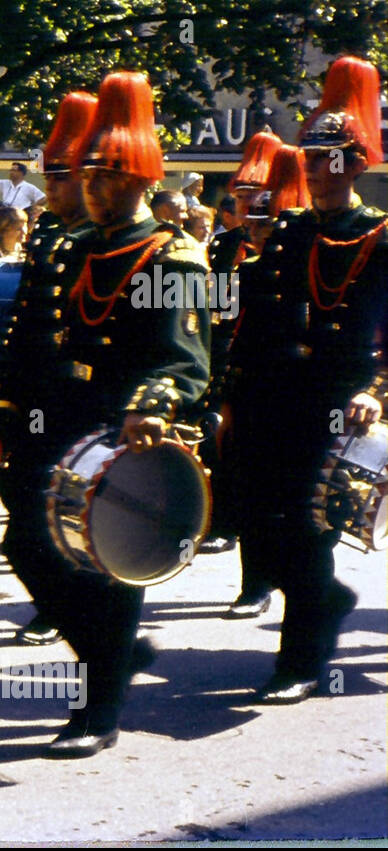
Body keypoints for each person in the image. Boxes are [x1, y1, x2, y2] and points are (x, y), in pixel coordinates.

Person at [0, 72, 208, 757]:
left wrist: (150, 408)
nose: (93, 187)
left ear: (139, 180)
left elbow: (182, 357)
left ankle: (98, 707)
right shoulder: (70, 248)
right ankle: (113, 655)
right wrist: (4, 409)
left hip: (124, 425)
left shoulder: (173, 255)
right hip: (59, 418)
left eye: (108, 175)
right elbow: (29, 342)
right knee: (26, 545)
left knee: (108, 569)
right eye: (90, 174)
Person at [227, 56, 386, 704]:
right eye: (310, 158)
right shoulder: (289, 231)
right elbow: (260, 318)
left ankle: (300, 662)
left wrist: (374, 393)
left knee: (305, 527)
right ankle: (325, 598)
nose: (313, 169)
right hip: (274, 400)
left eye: (325, 159)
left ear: (353, 163)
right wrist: (230, 394)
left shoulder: (378, 238)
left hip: (339, 403)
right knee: (257, 524)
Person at [0, 89, 97, 648]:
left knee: (55, 526)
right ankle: (71, 614)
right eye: (48, 178)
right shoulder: (49, 236)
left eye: (62, 178)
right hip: (33, 403)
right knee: (23, 528)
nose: (51, 190)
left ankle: (87, 631)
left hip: (82, 408)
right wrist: (3, 406)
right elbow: (26, 326)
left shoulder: (100, 242)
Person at [216, 145, 309, 621]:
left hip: (299, 399)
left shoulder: (304, 269)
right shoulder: (242, 272)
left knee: (295, 505)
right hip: (251, 396)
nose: (254, 234)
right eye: (251, 225)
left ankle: (299, 591)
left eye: (263, 225)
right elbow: (223, 329)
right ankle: (254, 584)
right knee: (251, 497)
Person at [199, 129, 283, 557]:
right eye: (243, 194)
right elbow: (214, 301)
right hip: (224, 350)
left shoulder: (289, 242)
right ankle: (222, 521)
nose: (248, 204)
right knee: (218, 445)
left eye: (256, 194)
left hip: (269, 358)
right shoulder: (225, 244)